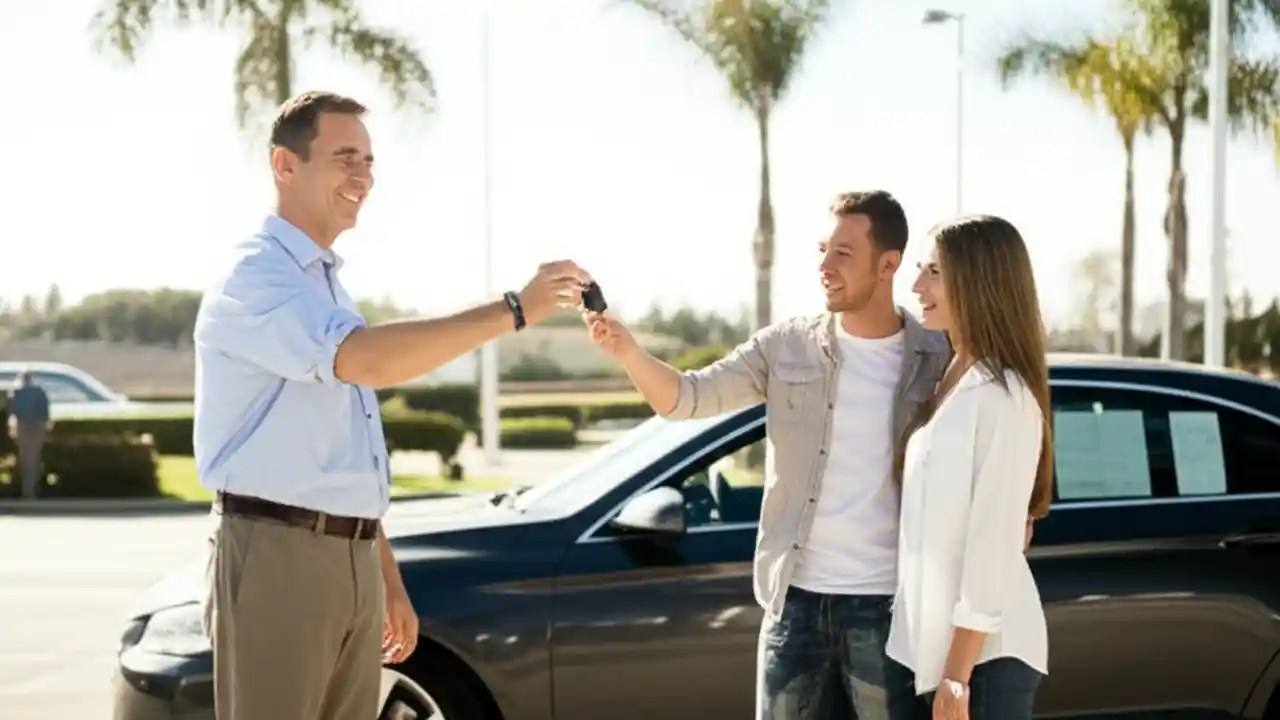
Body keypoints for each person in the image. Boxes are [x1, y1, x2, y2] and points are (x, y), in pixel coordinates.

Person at [193, 90, 592, 720]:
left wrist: (387, 583)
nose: (363, 175)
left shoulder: (324, 285)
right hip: (277, 557)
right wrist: (514, 309)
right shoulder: (255, 276)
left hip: (348, 558)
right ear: (285, 165)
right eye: (345, 155)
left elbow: (345, 461)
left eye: (370, 161)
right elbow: (366, 359)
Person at [587, 191, 953, 720]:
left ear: (889, 264)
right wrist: (628, 352)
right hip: (794, 605)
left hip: (891, 610)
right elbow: (687, 397)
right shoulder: (786, 346)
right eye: (823, 250)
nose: (824, 266)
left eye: (843, 253)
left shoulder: (939, 357)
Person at [885, 214, 1053, 720]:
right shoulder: (952, 377)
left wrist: (957, 677)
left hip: (983, 660)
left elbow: (992, 544)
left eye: (934, 271)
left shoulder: (1005, 397)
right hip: (927, 651)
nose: (916, 285)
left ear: (978, 281)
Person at [8, 370, 50, 500]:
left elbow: (12, 410)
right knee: (34, 458)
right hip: (37, 427)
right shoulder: (40, 392)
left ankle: (27, 490)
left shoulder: (17, 392)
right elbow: (45, 412)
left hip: (23, 426)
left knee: (25, 458)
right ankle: (32, 489)